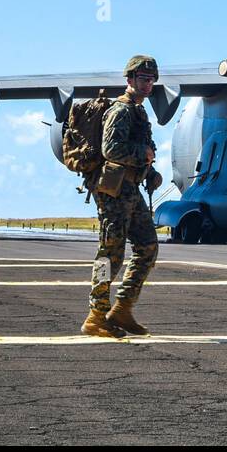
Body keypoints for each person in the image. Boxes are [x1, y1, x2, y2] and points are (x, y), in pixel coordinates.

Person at [82, 54, 163, 338]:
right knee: (109, 255)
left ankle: (123, 309)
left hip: (132, 189)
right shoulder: (122, 110)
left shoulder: (139, 111)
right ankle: (96, 315)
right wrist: (144, 155)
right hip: (114, 192)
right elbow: (111, 150)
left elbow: (137, 149)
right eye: (143, 79)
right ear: (129, 80)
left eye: (152, 80)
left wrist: (149, 171)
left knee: (148, 247)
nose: (148, 84)